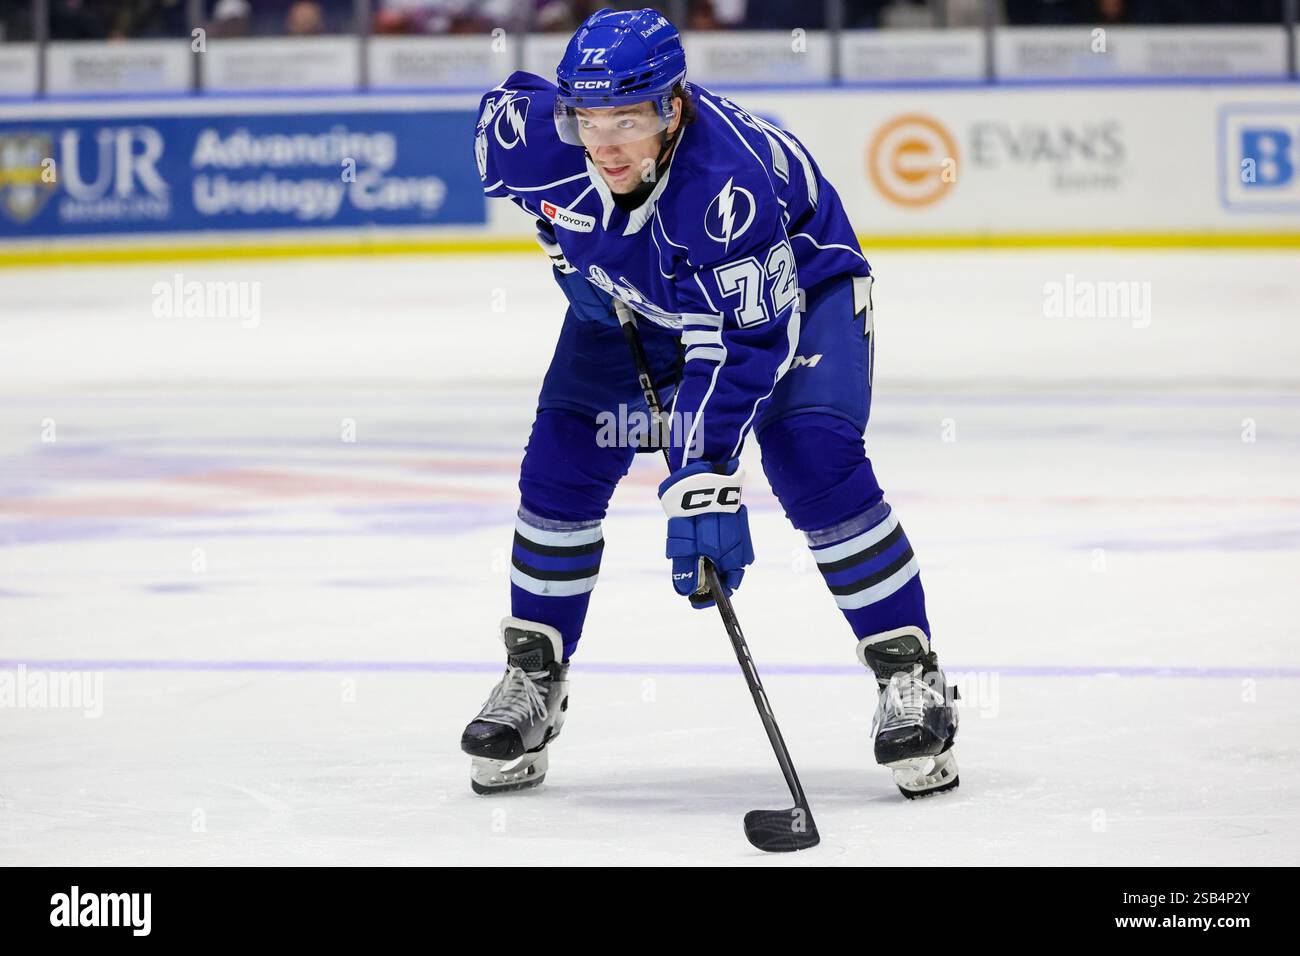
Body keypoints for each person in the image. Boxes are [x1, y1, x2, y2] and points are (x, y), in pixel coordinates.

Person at [460, 7, 960, 800]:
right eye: (587, 119)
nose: (605, 143)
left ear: (673, 107)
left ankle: (911, 675)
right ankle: (533, 678)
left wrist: (702, 479)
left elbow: (744, 345)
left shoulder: (725, 187)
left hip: (796, 292)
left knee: (811, 458)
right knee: (560, 464)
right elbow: (498, 118)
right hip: (634, 300)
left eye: (627, 118)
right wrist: (565, 250)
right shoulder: (532, 141)